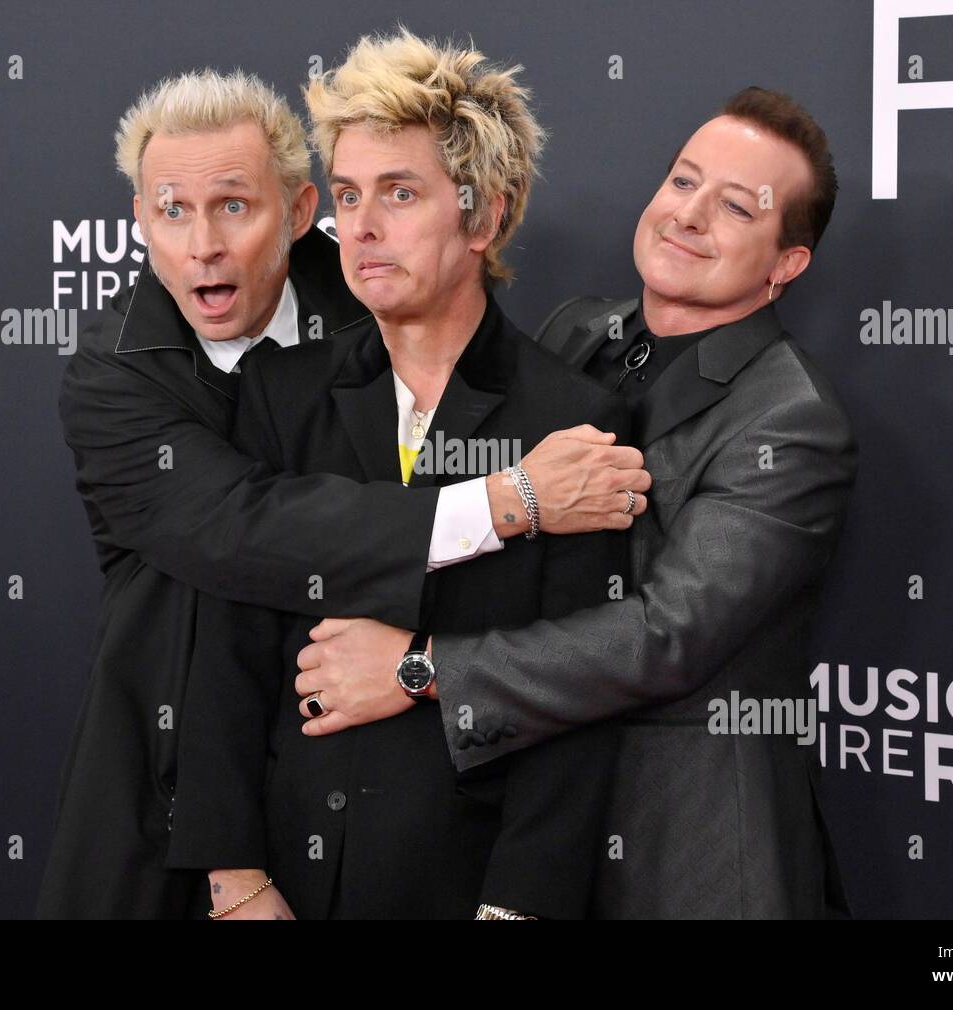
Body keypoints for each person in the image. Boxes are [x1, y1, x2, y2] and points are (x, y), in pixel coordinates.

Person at [37, 67, 648, 918]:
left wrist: (516, 906)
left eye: (397, 193)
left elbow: (579, 685)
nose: (364, 227)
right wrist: (237, 875)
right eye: (172, 210)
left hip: (448, 864)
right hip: (180, 814)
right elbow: (243, 561)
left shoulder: (563, 418)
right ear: (141, 220)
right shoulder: (150, 377)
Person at [293, 87, 859, 919]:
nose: (688, 217)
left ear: (786, 264)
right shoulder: (575, 333)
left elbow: (667, 638)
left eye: (736, 207)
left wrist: (419, 669)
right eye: (682, 182)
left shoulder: (792, 420)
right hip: (528, 831)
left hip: (681, 848)